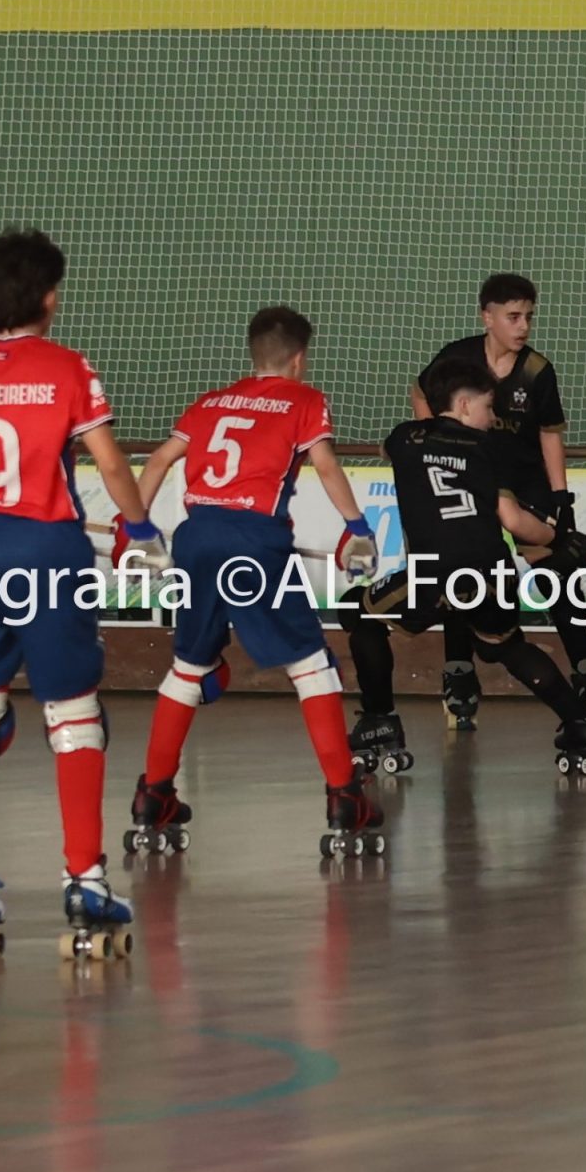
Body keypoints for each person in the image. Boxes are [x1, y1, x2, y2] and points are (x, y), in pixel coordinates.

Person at [0, 228, 164, 960]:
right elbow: (110, 466)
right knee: (74, 714)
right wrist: (141, 531)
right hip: (50, 551)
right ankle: (84, 881)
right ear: (51, 299)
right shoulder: (69, 368)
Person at [125, 306, 381, 856]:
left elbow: (155, 463)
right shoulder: (304, 400)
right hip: (255, 541)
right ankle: (344, 797)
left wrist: (136, 527)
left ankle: (154, 794)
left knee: (187, 667)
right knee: (311, 664)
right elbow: (327, 466)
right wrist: (357, 528)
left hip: (196, 538)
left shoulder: (209, 402)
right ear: (299, 357)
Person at [343, 358, 586, 780]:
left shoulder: (404, 438)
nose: (492, 420)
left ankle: (379, 718)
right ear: (466, 405)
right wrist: (560, 538)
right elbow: (512, 520)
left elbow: (391, 449)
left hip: (436, 572)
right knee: (504, 646)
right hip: (491, 572)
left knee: (358, 613)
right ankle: (582, 721)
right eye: (489, 409)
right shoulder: (486, 451)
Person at [414, 274, 586, 728]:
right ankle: (459, 671)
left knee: (556, 568)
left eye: (528, 317)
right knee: (464, 571)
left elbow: (549, 434)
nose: (523, 327)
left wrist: (560, 498)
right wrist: (432, 440)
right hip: (468, 479)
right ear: (488, 316)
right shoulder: (457, 358)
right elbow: (420, 391)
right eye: (513, 317)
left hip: (523, 479)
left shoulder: (537, 371)